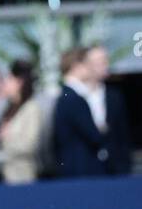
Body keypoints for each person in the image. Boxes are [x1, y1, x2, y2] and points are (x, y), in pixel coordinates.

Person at [53, 45, 131, 177]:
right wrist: (101, 129)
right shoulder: (73, 98)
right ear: (77, 66)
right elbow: (93, 134)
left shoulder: (68, 96)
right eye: (86, 64)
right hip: (81, 170)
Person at [0, 60, 44, 183]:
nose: (5, 84)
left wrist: (7, 138)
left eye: (9, 79)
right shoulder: (8, 108)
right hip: (7, 176)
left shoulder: (31, 108)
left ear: (19, 82)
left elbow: (30, 145)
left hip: (23, 177)